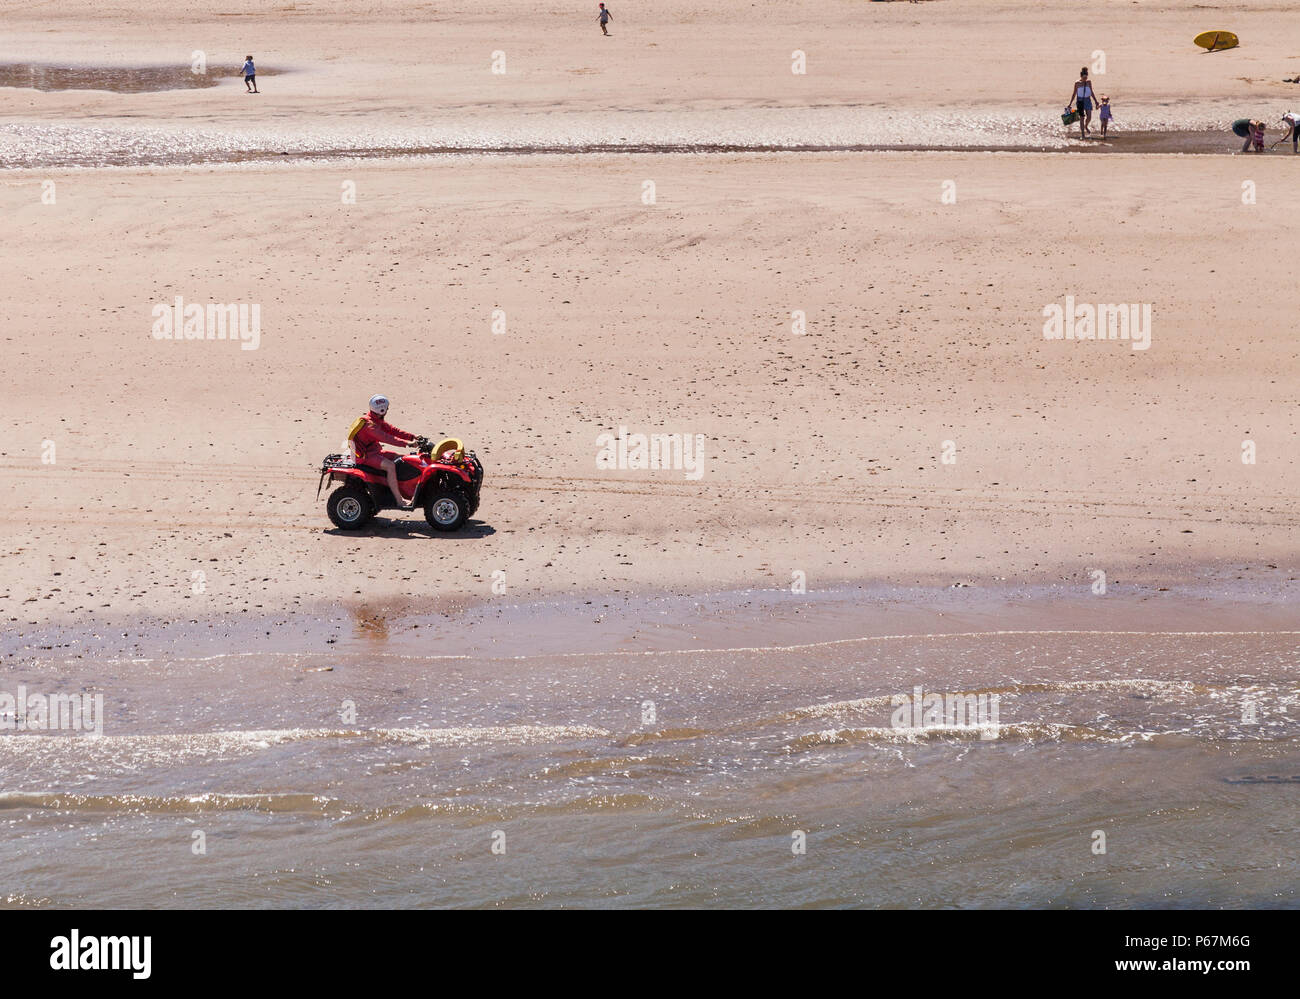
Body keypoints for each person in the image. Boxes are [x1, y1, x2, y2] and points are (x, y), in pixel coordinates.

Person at [353, 395, 417, 508]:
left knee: (401, 459)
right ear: (382, 410)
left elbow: (392, 430)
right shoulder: (369, 425)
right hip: (364, 457)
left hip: (374, 452)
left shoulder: (375, 419)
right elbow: (386, 438)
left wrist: (412, 437)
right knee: (390, 466)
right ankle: (399, 500)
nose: (387, 410)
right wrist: (407, 444)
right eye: (386, 408)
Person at [1068, 67, 1097, 139]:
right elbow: (1074, 93)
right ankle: (1083, 134)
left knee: (1089, 116)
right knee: (1082, 117)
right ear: (1081, 77)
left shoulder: (1089, 82)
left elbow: (1091, 92)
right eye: (1084, 78)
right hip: (1080, 101)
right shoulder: (1077, 83)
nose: (1085, 79)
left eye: (1086, 78)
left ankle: (1086, 126)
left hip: (1087, 100)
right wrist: (1070, 103)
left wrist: (1096, 101)